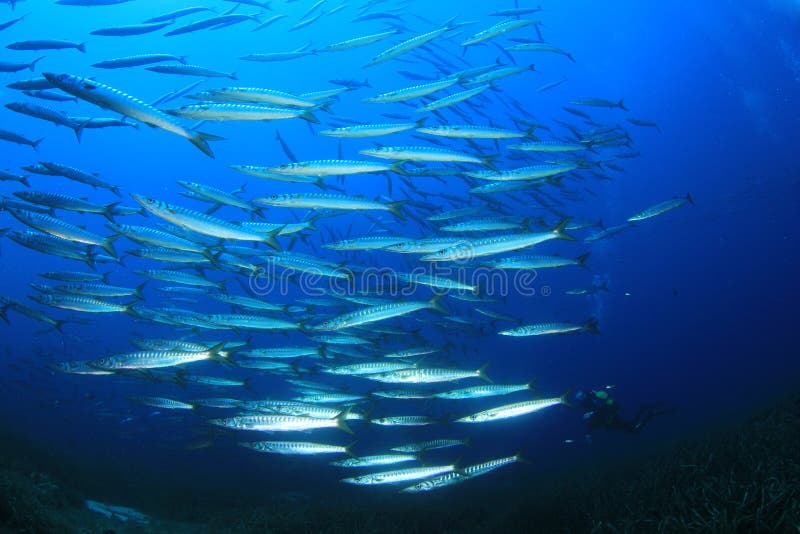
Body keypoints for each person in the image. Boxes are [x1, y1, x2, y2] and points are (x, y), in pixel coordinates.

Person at [574, 389, 673, 442]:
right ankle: (645, 409)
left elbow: (600, 412)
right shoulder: (589, 404)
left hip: (612, 420)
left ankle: (650, 414)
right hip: (611, 421)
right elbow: (595, 419)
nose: (580, 400)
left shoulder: (590, 404)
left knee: (634, 430)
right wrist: (588, 432)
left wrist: (591, 417)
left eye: (580, 398)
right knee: (632, 426)